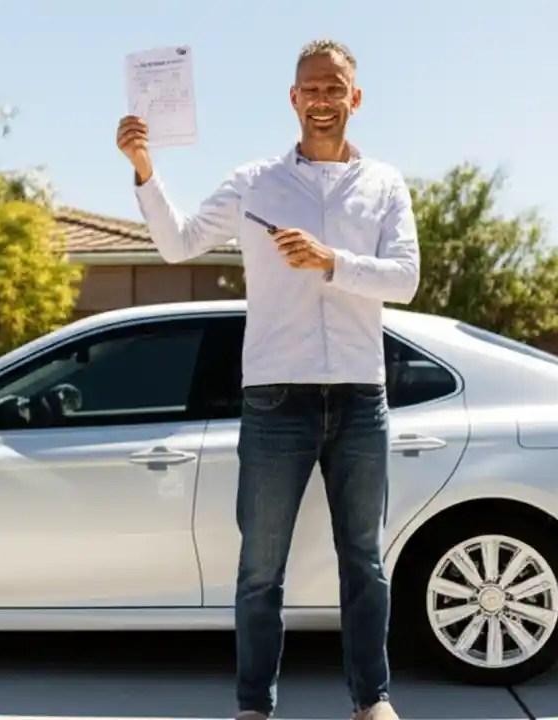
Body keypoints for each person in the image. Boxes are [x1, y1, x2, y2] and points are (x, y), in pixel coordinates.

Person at [115, 38, 419, 720]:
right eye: (311, 88)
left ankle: (372, 701)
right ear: (293, 98)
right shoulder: (256, 183)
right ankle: (254, 707)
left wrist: (329, 260)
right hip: (275, 399)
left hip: (360, 398)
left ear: (355, 98)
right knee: (260, 571)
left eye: (334, 87)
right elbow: (178, 243)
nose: (322, 99)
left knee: (365, 564)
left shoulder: (385, 185)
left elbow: (405, 278)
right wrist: (143, 168)